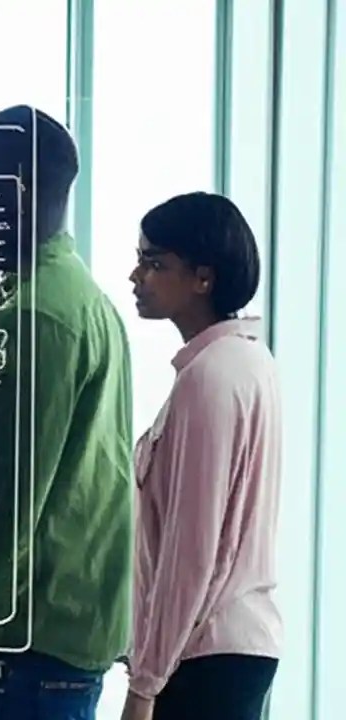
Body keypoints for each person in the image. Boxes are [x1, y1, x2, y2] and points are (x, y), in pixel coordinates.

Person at [0, 105, 135, 720]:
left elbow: (5, 502)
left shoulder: (35, 316)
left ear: (14, 193)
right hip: (46, 649)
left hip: (15, 658)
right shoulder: (76, 299)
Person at [122, 192, 280, 720]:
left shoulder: (209, 377)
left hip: (205, 657)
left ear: (203, 278)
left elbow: (191, 551)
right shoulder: (249, 361)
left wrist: (144, 686)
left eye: (154, 263)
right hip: (231, 650)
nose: (136, 276)